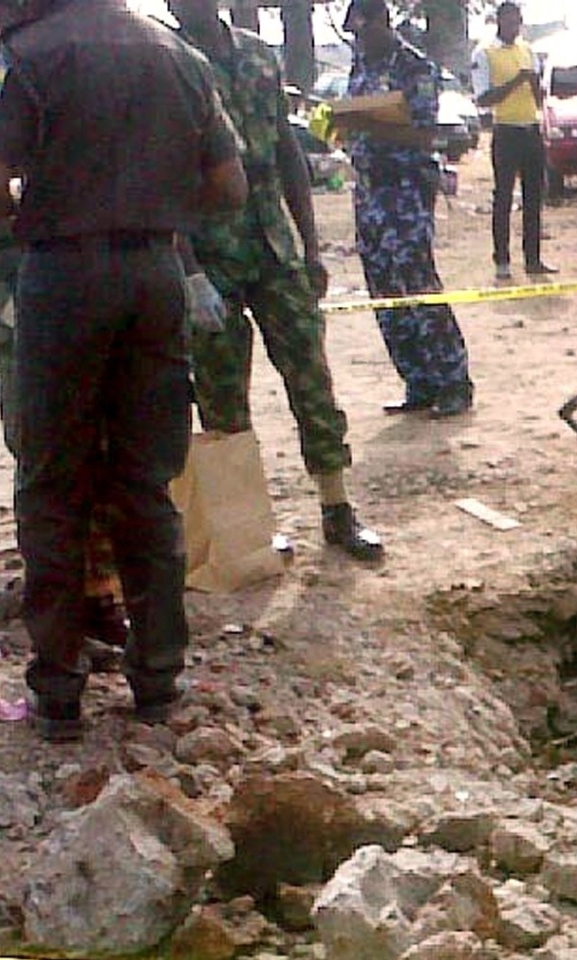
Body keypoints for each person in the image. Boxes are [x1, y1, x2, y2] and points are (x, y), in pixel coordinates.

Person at [0, 0, 247, 741]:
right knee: (146, 485)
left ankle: (58, 693)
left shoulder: (28, 53)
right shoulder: (179, 55)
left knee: (54, 483)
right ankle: (157, 678)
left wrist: (50, 201)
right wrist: (148, 204)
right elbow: (229, 186)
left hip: (64, 276)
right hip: (155, 274)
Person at [0, 0, 132, 652]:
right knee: (41, 452)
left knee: (110, 442)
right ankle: (59, 608)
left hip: (98, 288)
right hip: (18, 304)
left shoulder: (75, 78)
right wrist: (21, 221)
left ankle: (105, 593)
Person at [169, 0, 385, 564]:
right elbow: (156, 178)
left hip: (272, 240)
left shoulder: (259, 56)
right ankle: (247, 532)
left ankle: (338, 510)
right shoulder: (166, 62)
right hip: (209, 245)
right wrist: (189, 274)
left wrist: (311, 247)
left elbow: (288, 150)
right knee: (221, 395)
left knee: (310, 375)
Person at [339, 0, 474, 418]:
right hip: (368, 191)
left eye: (363, 31)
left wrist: (365, 124)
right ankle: (419, 380)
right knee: (384, 290)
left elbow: (425, 135)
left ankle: (453, 381)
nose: (359, 40)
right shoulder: (360, 66)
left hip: (405, 192)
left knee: (418, 283)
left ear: (383, 22)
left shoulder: (414, 68)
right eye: (355, 34)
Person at [471, 2, 554, 279]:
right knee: (503, 198)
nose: (513, 26)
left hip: (531, 129)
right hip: (505, 131)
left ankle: (533, 258)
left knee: (534, 197)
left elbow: (541, 98)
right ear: (498, 21)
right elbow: (483, 100)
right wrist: (516, 82)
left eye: (517, 21)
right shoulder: (485, 52)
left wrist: (534, 85)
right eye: (508, 21)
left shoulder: (528, 50)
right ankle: (502, 261)